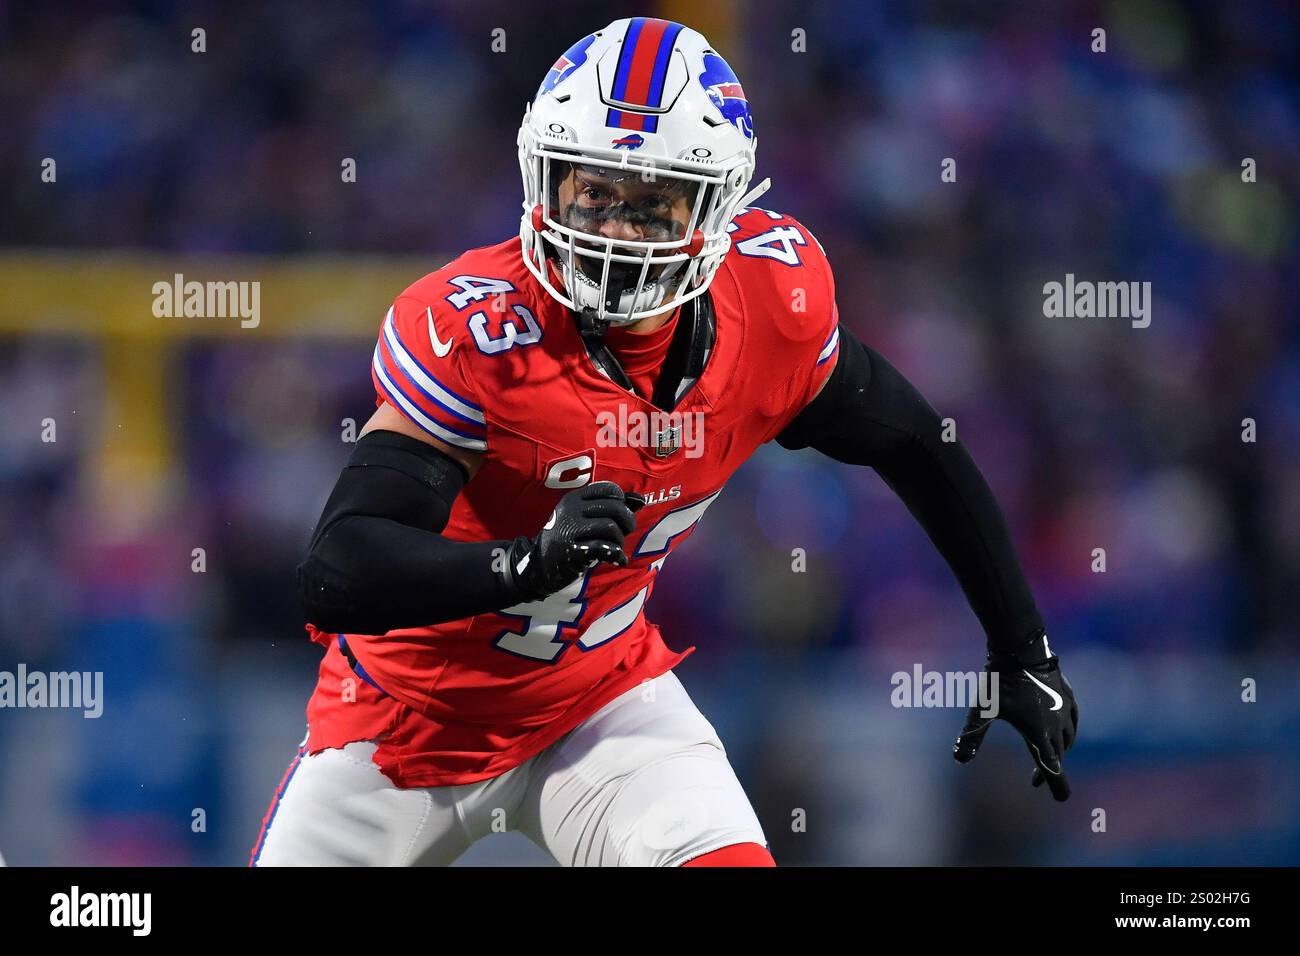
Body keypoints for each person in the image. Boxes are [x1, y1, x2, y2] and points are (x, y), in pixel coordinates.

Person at [251, 16, 1077, 867]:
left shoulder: (773, 309)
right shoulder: (481, 332)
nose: (614, 229)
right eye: (593, 193)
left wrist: (1022, 646)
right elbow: (338, 570)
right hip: (401, 723)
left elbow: (916, 443)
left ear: (716, 208)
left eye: (652, 201)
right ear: (547, 181)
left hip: (599, 705)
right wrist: (525, 563)